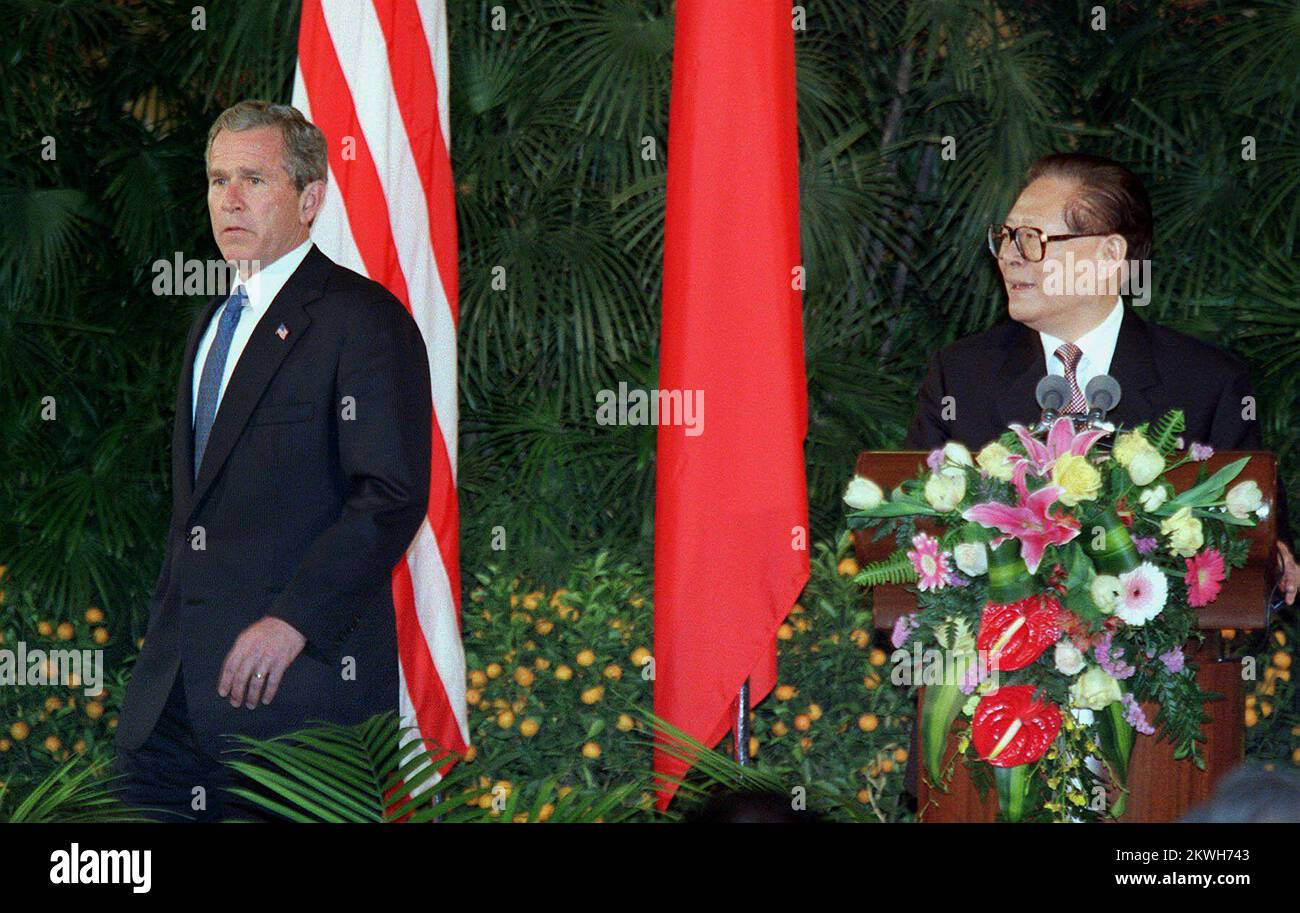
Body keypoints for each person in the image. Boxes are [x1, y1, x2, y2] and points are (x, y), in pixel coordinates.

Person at [113, 100, 432, 821]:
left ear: (310, 197)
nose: (229, 199)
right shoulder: (208, 325)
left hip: (297, 710)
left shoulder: (362, 320)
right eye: (217, 178)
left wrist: (292, 619)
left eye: (253, 180)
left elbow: (388, 494)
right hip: (170, 713)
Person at [904, 152, 1296, 603]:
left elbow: (1258, 545)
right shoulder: (961, 377)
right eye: (1006, 237)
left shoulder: (1207, 383)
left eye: (1031, 239)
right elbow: (914, 529)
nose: (1010, 257)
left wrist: (1276, 556)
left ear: (1109, 254)